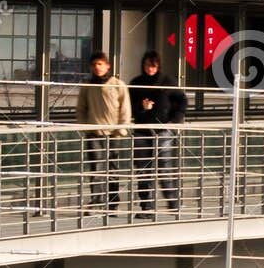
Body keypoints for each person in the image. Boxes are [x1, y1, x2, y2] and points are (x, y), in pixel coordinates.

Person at [128, 50, 187, 217]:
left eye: (153, 65)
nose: (150, 69)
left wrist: (175, 120)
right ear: (143, 65)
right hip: (142, 131)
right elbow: (129, 107)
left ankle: (173, 204)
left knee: (164, 168)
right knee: (143, 169)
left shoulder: (167, 82)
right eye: (147, 65)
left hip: (163, 131)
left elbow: (182, 100)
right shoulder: (136, 83)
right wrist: (141, 107)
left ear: (158, 65)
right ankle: (147, 208)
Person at [74, 52, 130, 213]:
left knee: (112, 168)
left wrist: (122, 129)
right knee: (96, 169)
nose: (97, 67)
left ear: (107, 66)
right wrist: (85, 126)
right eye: (94, 65)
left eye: (100, 64)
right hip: (94, 133)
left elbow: (125, 109)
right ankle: (97, 201)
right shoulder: (88, 86)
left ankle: (112, 202)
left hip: (113, 134)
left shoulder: (118, 85)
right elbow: (81, 109)